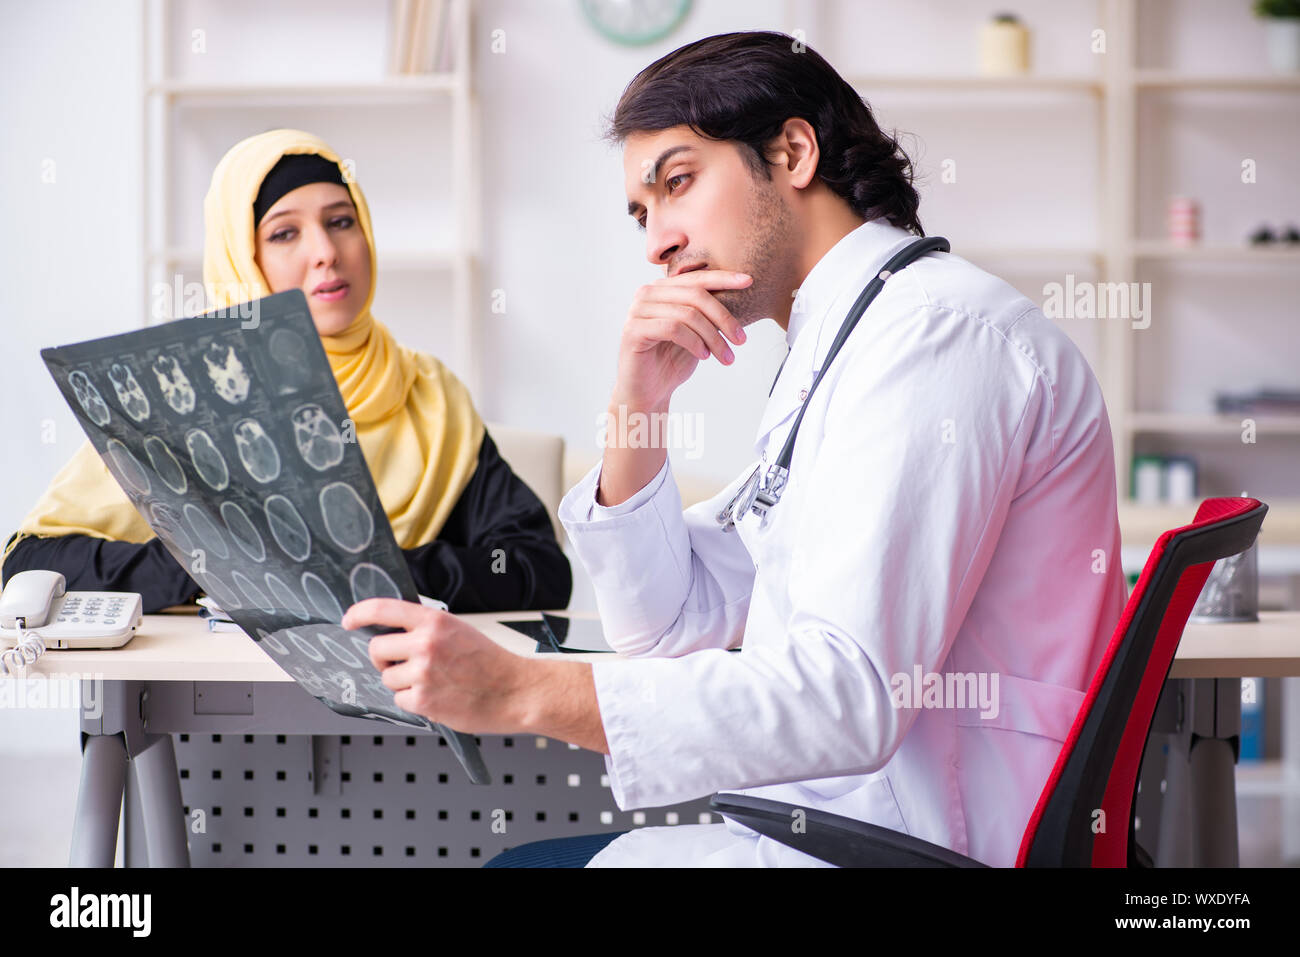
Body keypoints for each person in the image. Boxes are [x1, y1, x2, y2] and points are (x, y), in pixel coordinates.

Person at [337, 31, 1129, 868]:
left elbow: (848, 696)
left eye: (677, 182)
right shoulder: (843, 343)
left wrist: (521, 689)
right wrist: (637, 404)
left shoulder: (933, 337)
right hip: (847, 823)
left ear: (791, 152)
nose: (657, 242)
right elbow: (668, 622)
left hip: (922, 840)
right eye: (643, 214)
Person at [0, 129, 571, 615]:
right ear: (243, 259)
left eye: (341, 221)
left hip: (398, 721)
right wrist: (221, 566)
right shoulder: (178, 391)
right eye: (285, 232)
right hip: (207, 710)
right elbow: (28, 564)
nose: (326, 250)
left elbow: (537, 567)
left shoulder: (427, 397)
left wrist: (371, 573)